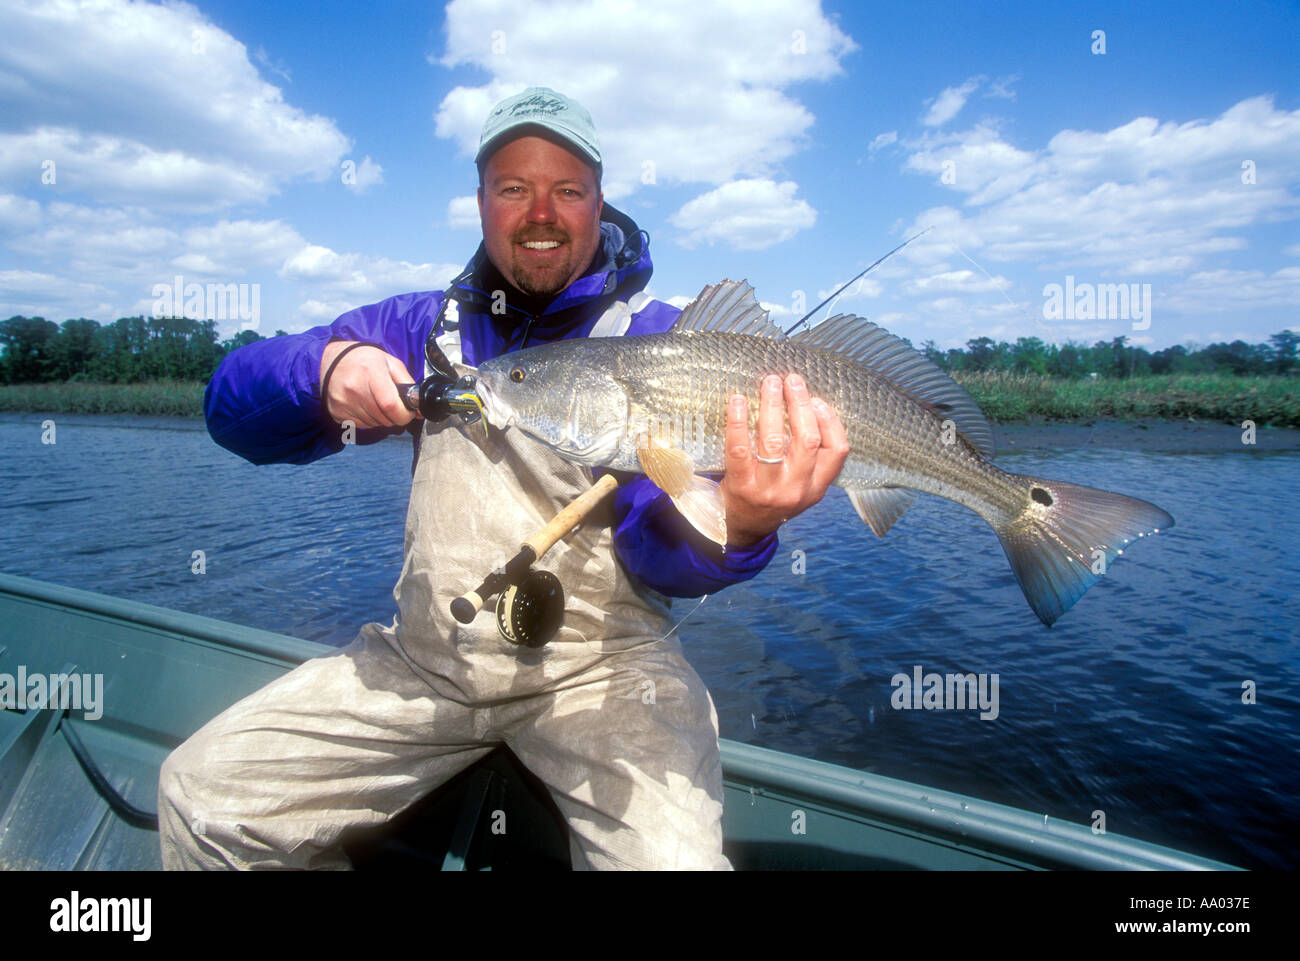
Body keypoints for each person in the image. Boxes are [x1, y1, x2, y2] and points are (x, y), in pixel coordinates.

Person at [158, 87, 848, 870]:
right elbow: (231, 410)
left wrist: (745, 527)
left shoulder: (664, 341)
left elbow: (657, 552)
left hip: (607, 674)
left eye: (568, 189)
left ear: (599, 202)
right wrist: (321, 369)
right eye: (514, 187)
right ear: (482, 201)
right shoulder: (423, 326)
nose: (541, 211)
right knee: (199, 795)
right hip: (427, 659)